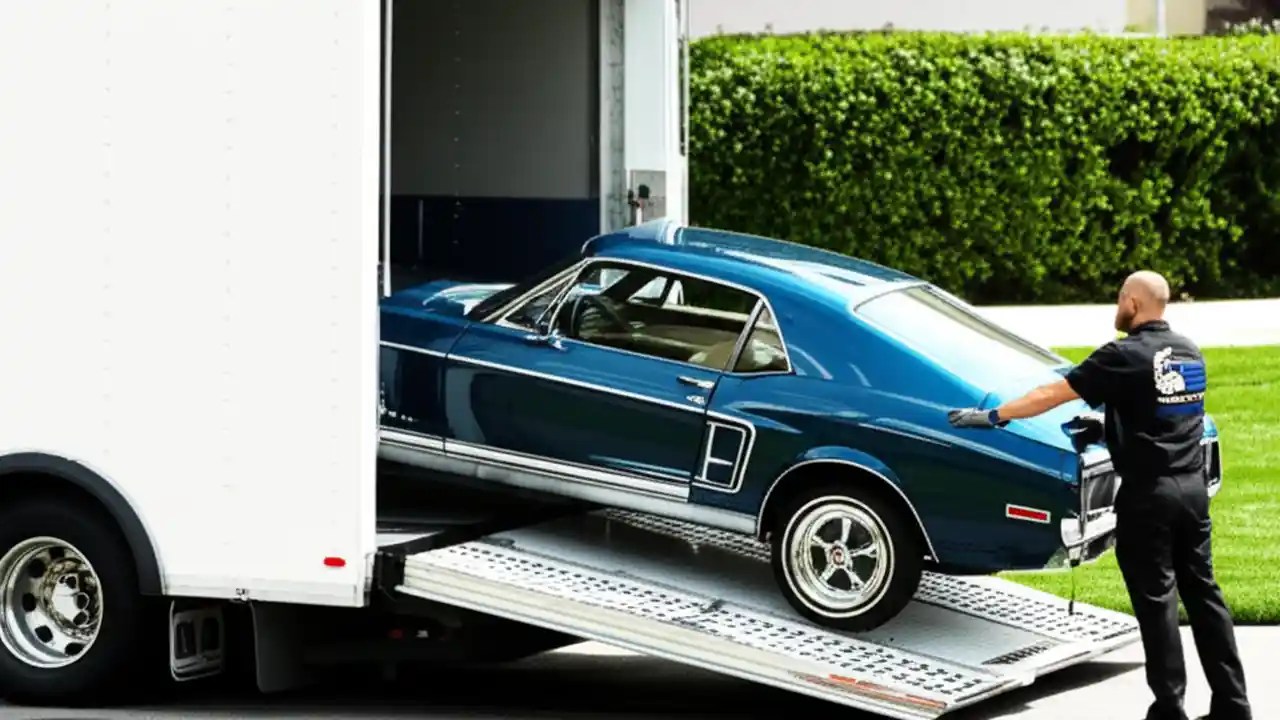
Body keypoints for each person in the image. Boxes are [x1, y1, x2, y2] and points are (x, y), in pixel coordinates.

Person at [946, 270, 1251, 720]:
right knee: (1205, 596)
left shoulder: (1123, 354)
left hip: (1150, 498)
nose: (1116, 306)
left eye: (1119, 298)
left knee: (1158, 600)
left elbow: (1053, 393)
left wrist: (994, 416)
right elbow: (1160, 413)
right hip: (1192, 492)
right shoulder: (1189, 351)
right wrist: (1109, 426)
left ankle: (1169, 708)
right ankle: (1233, 705)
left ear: (1133, 301)